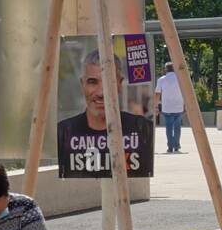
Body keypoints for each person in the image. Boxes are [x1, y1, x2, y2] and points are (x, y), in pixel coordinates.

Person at [56, 50, 155, 178]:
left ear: (120, 84)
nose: (101, 93)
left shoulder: (144, 130)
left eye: (109, 82)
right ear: (82, 85)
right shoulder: (63, 133)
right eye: (92, 82)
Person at [154, 61, 185, 154]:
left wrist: (155, 106)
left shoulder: (161, 79)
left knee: (168, 127)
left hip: (167, 107)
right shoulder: (181, 79)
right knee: (177, 127)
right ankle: (176, 146)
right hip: (179, 106)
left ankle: (170, 147)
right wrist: (185, 105)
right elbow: (185, 92)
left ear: (165, 69)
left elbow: (157, 94)